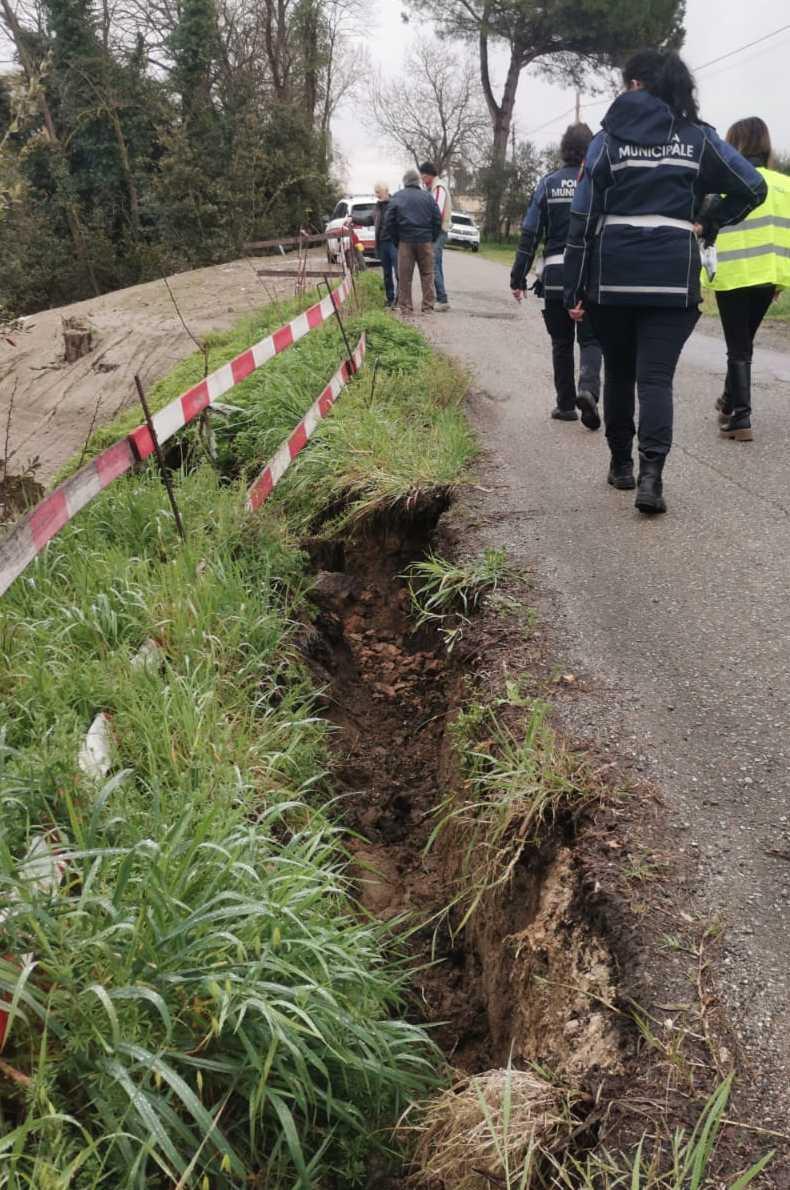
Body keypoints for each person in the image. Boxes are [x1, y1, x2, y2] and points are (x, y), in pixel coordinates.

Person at [564, 49, 766, 514]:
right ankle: (651, 479)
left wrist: (574, 284)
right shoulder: (699, 138)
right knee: (656, 379)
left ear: (635, 84)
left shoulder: (606, 140)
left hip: (613, 279)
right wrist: (708, 221)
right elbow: (752, 186)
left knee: (618, 372)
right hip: (672, 279)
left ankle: (620, 465)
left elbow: (583, 214)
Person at [702, 117, 790, 441]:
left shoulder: (730, 183)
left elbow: (712, 225)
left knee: (738, 346)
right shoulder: (785, 186)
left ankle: (740, 416)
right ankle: (728, 402)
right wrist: (781, 278)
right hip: (769, 277)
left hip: (734, 274)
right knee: (743, 344)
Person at [510, 123, 602, 429]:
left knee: (561, 343)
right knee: (591, 340)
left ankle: (565, 406)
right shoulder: (598, 182)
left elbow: (530, 232)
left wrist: (518, 276)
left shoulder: (548, 183)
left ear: (564, 149)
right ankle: (588, 388)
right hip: (591, 274)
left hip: (554, 276)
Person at [384, 168, 441, 316]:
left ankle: (406, 308)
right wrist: (432, 238)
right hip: (425, 241)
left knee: (404, 276)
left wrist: (397, 240)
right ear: (418, 182)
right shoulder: (428, 197)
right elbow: (437, 220)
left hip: (405, 241)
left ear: (404, 182)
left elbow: (389, 222)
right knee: (428, 274)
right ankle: (428, 307)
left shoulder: (397, 197)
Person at [354, 182, 398, 307]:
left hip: (393, 243)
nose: (377, 195)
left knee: (398, 272)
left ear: (386, 191)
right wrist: (354, 218)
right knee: (387, 272)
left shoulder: (394, 204)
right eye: (376, 192)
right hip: (382, 243)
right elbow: (369, 220)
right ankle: (390, 298)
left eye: (379, 192)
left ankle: (400, 299)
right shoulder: (378, 207)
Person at [419, 161, 452, 311]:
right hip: (437, 231)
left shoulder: (438, 188)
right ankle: (440, 297)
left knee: (434, 264)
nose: (421, 178)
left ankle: (442, 299)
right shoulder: (432, 188)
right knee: (436, 264)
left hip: (438, 231)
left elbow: (436, 212)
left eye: (422, 175)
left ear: (427, 174)